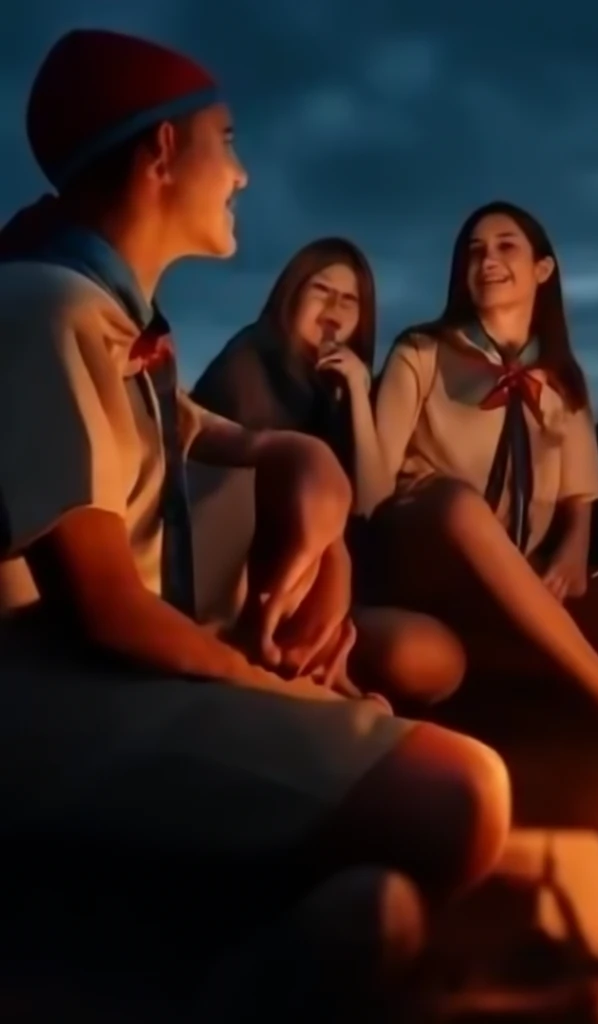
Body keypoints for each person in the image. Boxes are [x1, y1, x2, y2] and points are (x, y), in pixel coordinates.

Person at [0, 27, 510, 1003]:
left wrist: (308, 477)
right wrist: (274, 691)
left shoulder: (113, 324)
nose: (240, 173)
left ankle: (282, 911)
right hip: (37, 692)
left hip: (107, 660)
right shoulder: (43, 314)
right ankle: (161, 953)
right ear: (162, 150)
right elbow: (99, 607)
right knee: (465, 792)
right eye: (226, 141)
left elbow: (246, 447)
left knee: (408, 687)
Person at [371, 200, 598, 774]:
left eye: (506, 246)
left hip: (519, 580)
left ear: (542, 270)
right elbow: (376, 485)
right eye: (475, 250)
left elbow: (582, 496)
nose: (488, 259)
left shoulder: (561, 380)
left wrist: (574, 550)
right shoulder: (421, 352)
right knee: (459, 506)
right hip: (428, 559)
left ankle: (520, 664)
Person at [190, 237, 465, 707]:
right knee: (419, 655)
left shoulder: (330, 387)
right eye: (321, 290)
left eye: (349, 300)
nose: (334, 309)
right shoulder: (249, 364)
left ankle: (318, 670)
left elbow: (371, 503)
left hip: (328, 589)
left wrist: (357, 395)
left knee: (439, 658)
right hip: (251, 589)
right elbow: (252, 512)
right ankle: (295, 674)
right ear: (291, 294)